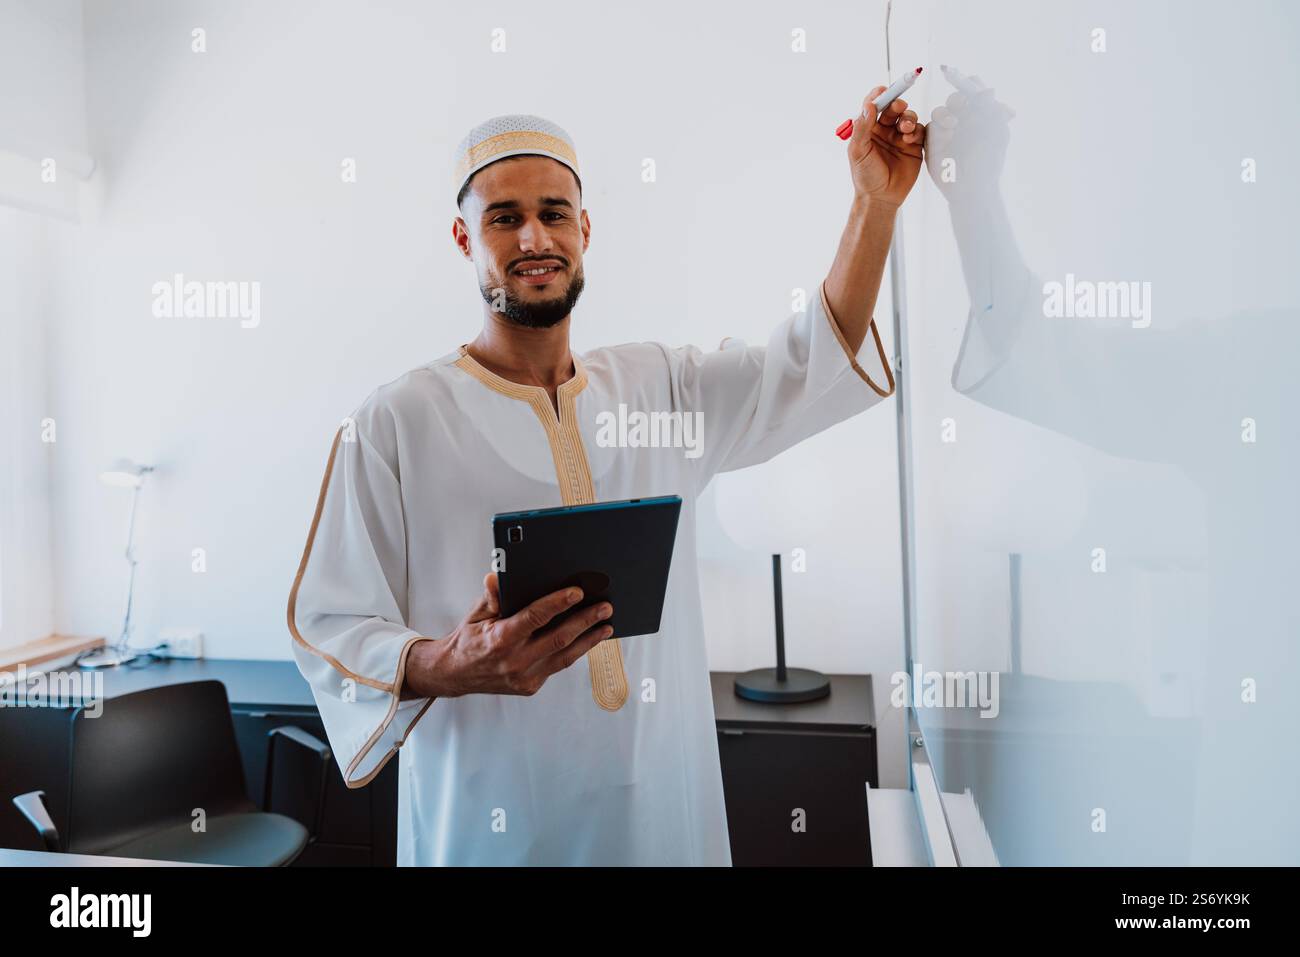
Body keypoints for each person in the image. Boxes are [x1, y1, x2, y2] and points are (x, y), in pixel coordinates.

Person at [287, 95, 926, 865]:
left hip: (664, 816)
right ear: (464, 238)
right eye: (504, 217)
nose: (535, 237)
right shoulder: (396, 421)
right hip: (493, 826)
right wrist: (449, 664)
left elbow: (814, 358)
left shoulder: (660, 388)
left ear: (584, 232)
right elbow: (327, 625)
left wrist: (874, 203)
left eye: (556, 213)